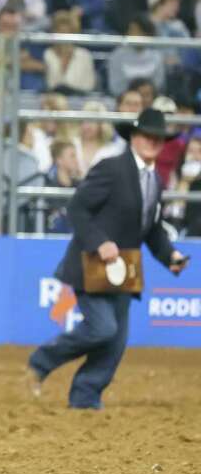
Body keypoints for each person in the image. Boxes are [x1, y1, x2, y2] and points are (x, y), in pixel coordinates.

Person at [27, 108, 190, 410]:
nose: (153, 141)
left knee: (114, 343)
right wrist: (99, 242)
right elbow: (77, 208)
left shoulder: (155, 180)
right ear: (134, 137)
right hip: (91, 266)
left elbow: (151, 229)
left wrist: (171, 256)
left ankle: (85, 398)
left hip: (124, 271)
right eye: (147, 136)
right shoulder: (111, 168)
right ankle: (41, 361)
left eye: (158, 137)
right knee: (102, 329)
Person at [107, 15, 166, 97]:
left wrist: (145, 95)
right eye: (132, 30)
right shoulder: (117, 55)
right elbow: (115, 87)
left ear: (147, 33)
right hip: (126, 99)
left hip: (149, 99)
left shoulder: (156, 56)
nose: (134, 35)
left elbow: (158, 85)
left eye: (139, 31)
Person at [43, 11, 96, 95]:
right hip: (53, 101)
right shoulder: (47, 54)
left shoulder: (85, 55)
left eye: (67, 33)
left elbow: (89, 86)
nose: (64, 38)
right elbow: (48, 85)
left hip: (80, 100)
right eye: (60, 32)